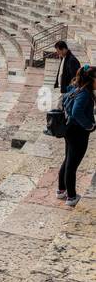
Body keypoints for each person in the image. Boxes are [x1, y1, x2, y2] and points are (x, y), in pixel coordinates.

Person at [58, 66, 95, 206]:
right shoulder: (85, 93)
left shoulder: (76, 87)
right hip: (78, 132)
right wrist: (89, 126)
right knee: (72, 165)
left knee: (68, 159)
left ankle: (61, 190)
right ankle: (71, 197)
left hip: (70, 130)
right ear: (91, 80)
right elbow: (77, 111)